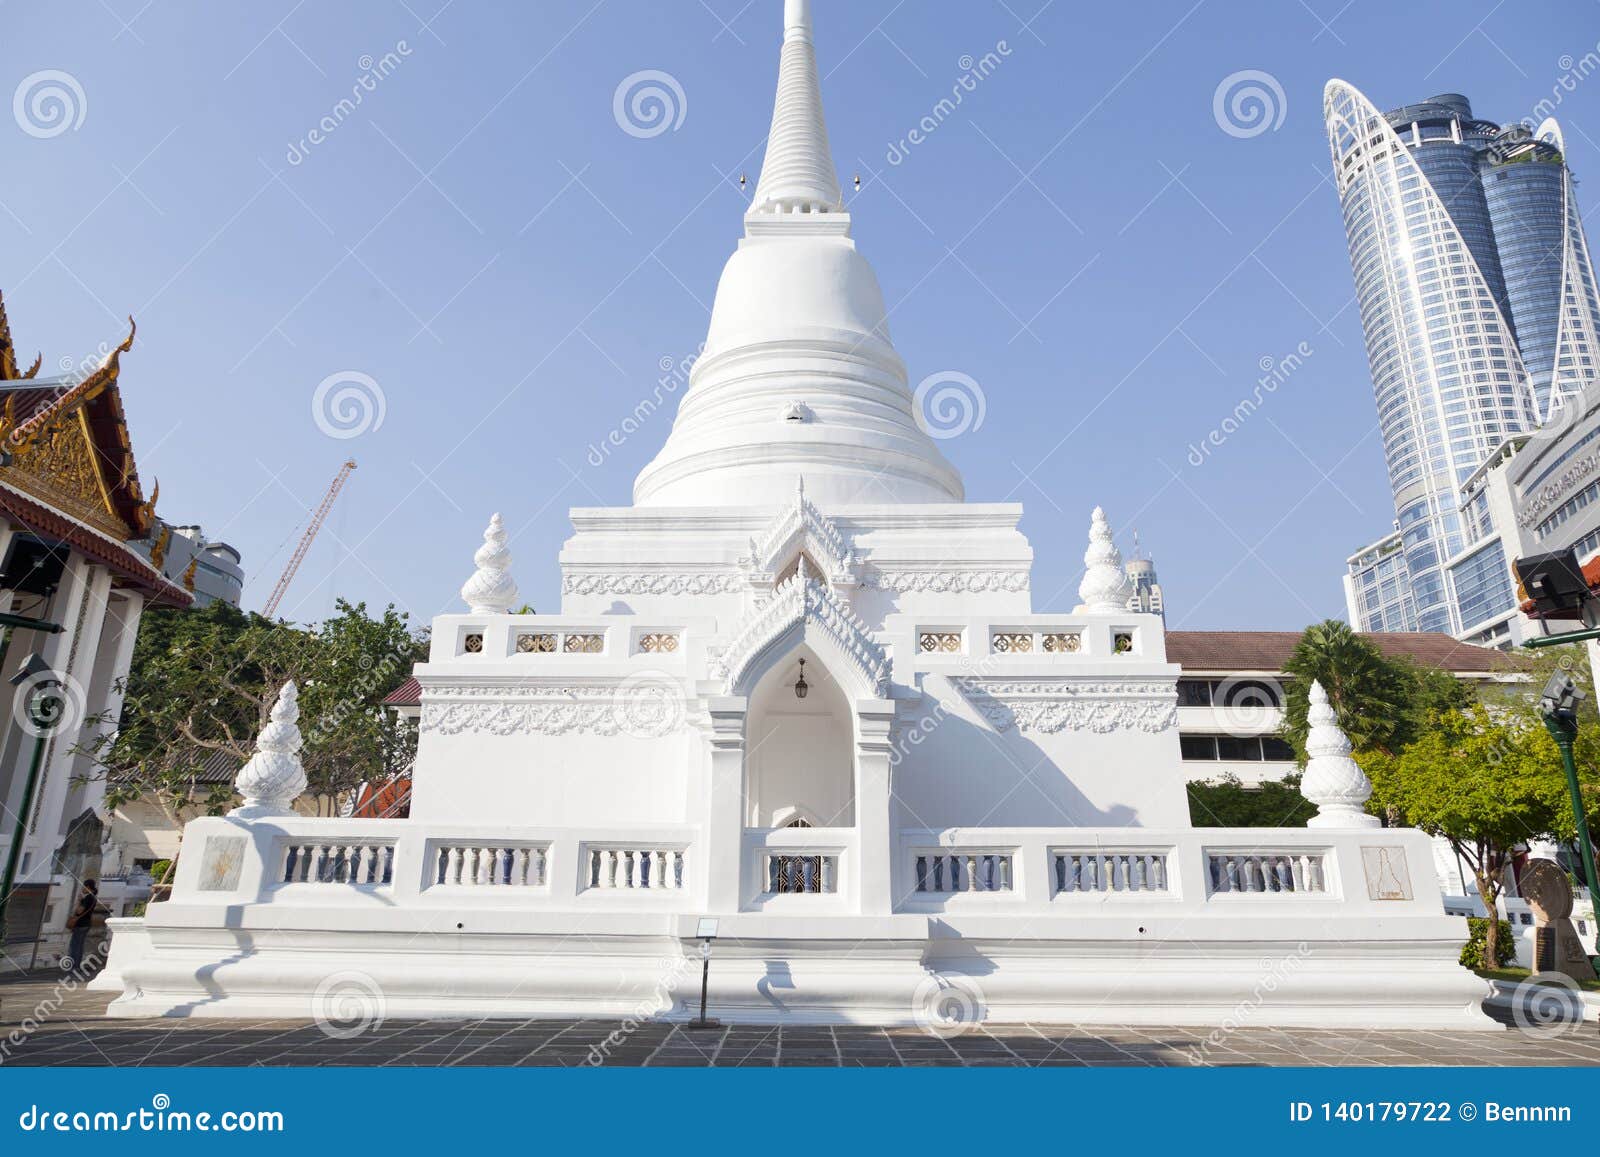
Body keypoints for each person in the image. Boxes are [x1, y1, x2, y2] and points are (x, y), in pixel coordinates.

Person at [64, 880, 101, 974]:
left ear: (88, 887)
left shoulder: (87, 898)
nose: (82, 889)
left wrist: (79, 901)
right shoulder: (93, 898)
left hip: (80, 924)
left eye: (83, 887)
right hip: (86, 924)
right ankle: (76, 966)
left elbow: (79, 911)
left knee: (75, 945)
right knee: (79, 945)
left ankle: (74, 966)